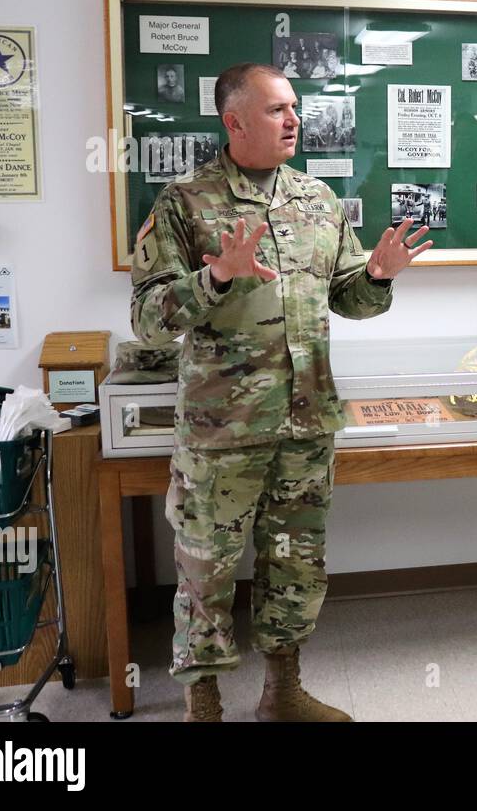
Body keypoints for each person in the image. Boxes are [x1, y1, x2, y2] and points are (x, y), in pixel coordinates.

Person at [130, 62, 432, 722]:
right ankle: (202, 704)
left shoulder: (318, 200)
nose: (294, 119)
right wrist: (214, 280)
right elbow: (148, 320)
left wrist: (377, 274)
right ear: (234, 121)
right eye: (276, 110)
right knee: (206, 574)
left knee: (296, 566)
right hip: (223, 433)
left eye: (295, 107)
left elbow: (351, 299)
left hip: (304, 426)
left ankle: (282, 692)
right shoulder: (183, 201)